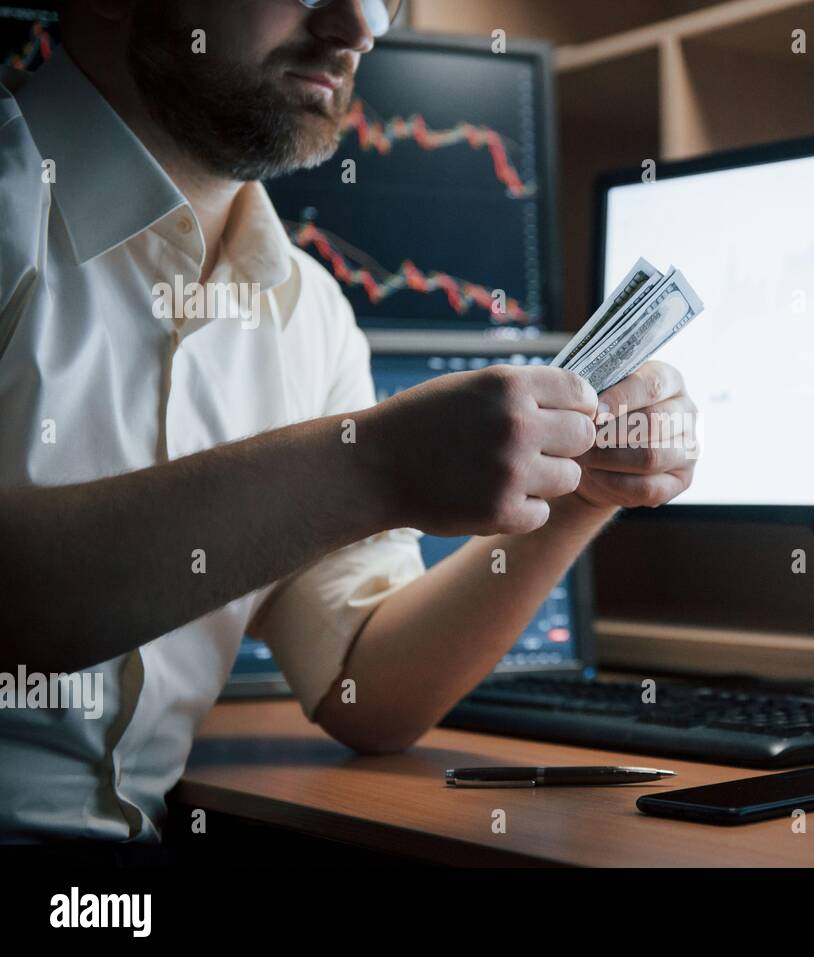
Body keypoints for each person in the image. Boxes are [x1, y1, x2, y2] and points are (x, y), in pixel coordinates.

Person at [0, 0, 697, 842]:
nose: (362, 25)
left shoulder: (311, 316)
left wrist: (578, 491)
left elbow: (367, 689)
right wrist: (371, 467)